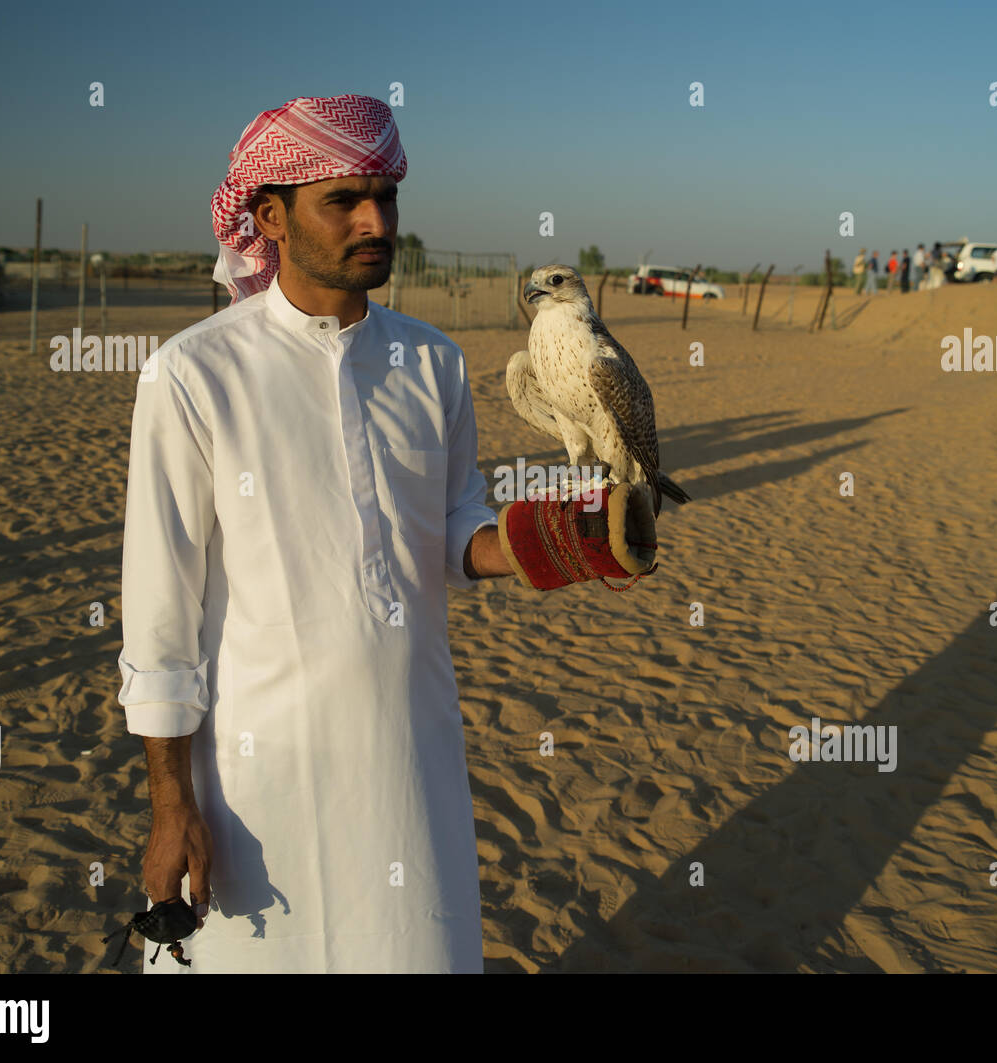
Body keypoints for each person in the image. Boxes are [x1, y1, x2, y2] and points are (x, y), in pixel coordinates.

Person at [117, 95, 657, 974]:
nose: (376, 220)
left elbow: (453, 529)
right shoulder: (193, 374)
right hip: (258, 773)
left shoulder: (433, 361)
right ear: (269, 217)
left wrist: (558, 539)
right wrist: (169, 803)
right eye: (344, 200)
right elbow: (160, 620)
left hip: (409, 756)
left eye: (387, 196)